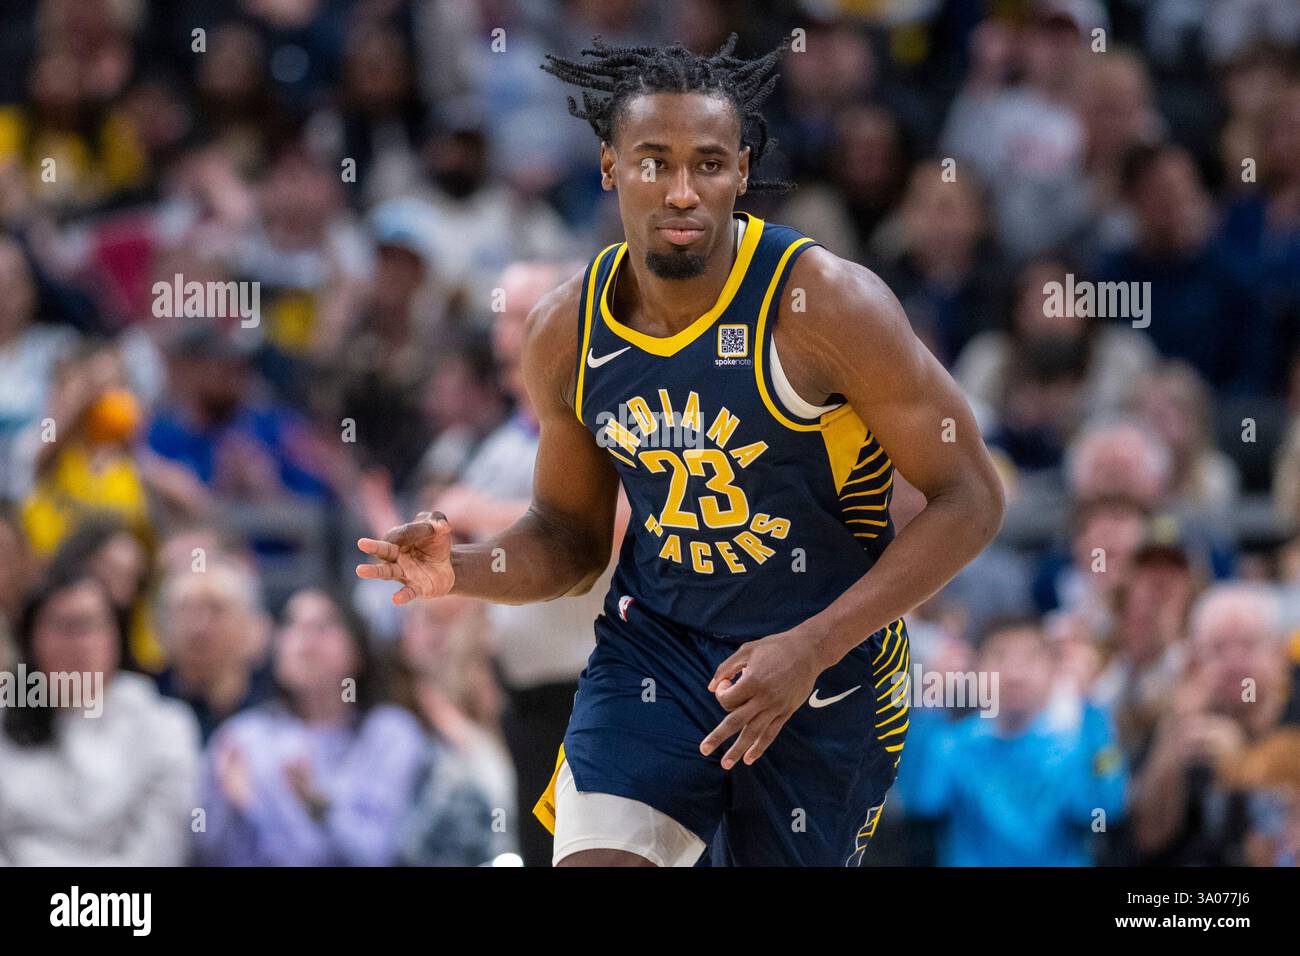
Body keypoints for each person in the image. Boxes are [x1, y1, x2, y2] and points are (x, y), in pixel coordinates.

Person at [357, 34, 1004, 868]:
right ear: (608, 168)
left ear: (741, 172)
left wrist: (810, 646)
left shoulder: (824, 306)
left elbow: (972, 498)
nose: (681, 190)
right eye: (653, 161)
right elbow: (569, 538)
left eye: (707, 164)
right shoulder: (566, 330)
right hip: (655, 647)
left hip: (828, 662)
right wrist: (462, 571)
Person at [194, 588, 427, 866]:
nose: (304, 638)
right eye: (292, 625)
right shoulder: (241, 738)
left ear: (358, 649)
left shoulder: (389, 734)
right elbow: (207, 854)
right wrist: (231, 808)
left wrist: (308, 804)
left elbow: (374, 855)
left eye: (322, 626)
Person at [0, 572, 200, 865]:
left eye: (89, 625)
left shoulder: (165, 725)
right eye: (62, 627)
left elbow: (162, 848)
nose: (78, 643)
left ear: (116, 635)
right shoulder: (6, 716)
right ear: (31, 638)